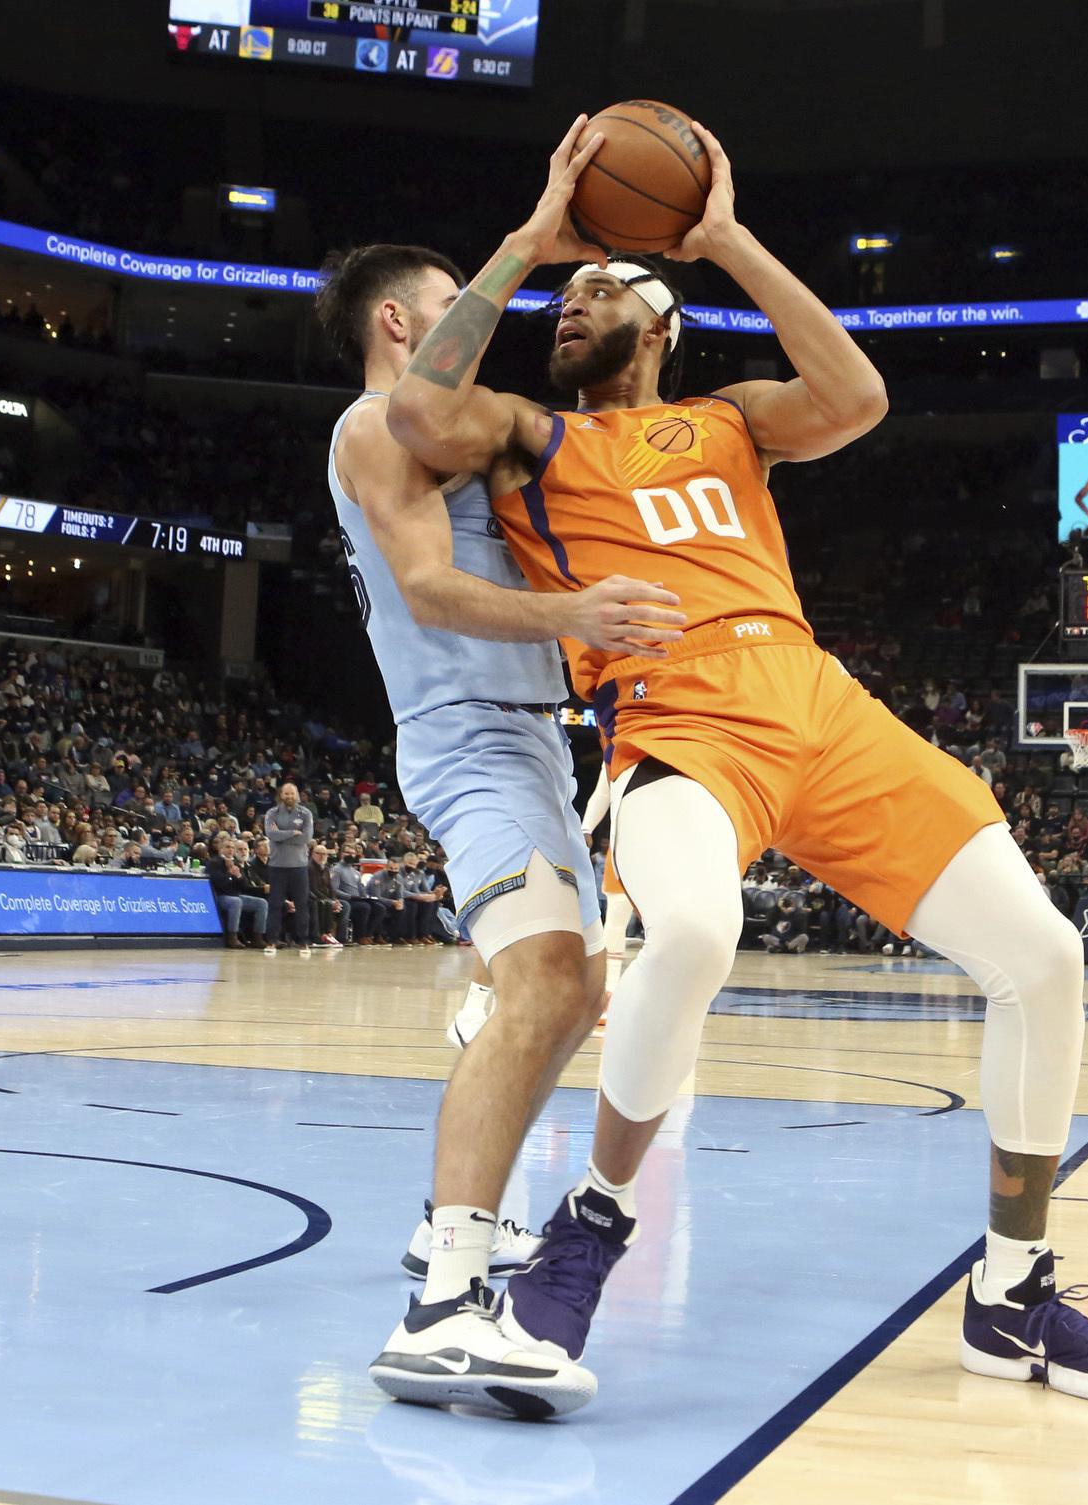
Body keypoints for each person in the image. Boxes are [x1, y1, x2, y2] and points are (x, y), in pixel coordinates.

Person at [380, 115, 1088, 1410]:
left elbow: (859, 398)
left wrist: (724, 237)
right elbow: (418, 408)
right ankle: (590, 1222)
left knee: (1047, 958)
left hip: (815, 697)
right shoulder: (531, 438)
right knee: (690, 932)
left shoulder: (732, 419)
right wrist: (536, 234)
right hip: (678, 721)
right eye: (561, 298)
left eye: (598, 288)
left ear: (664, 321)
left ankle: (1011, 1292)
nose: (570, 306)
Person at [318, 173, 695, 1418]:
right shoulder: (376, 425)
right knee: (541, 979)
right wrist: (579, 614)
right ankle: (441, 1308)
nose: (486, 330)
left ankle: (448, 1245)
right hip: (468, 735)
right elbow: (430, 590)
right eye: (457, 310)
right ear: (397, 328)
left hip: (526, 739)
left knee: (579, 983)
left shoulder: (456, 434)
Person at [261, 782, 316, 956]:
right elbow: (271, 834)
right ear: (281, 795)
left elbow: (306, 838)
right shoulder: (272, 813)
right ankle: (271, 941)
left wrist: (282, 834)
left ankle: (303, 942)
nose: (289, 796)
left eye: (292, 793)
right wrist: (293, 832)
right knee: (275, 905)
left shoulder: (306, 813)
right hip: (277, 866)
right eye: (286, 793)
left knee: (302, 905)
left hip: (299, 866)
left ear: (297, 795)